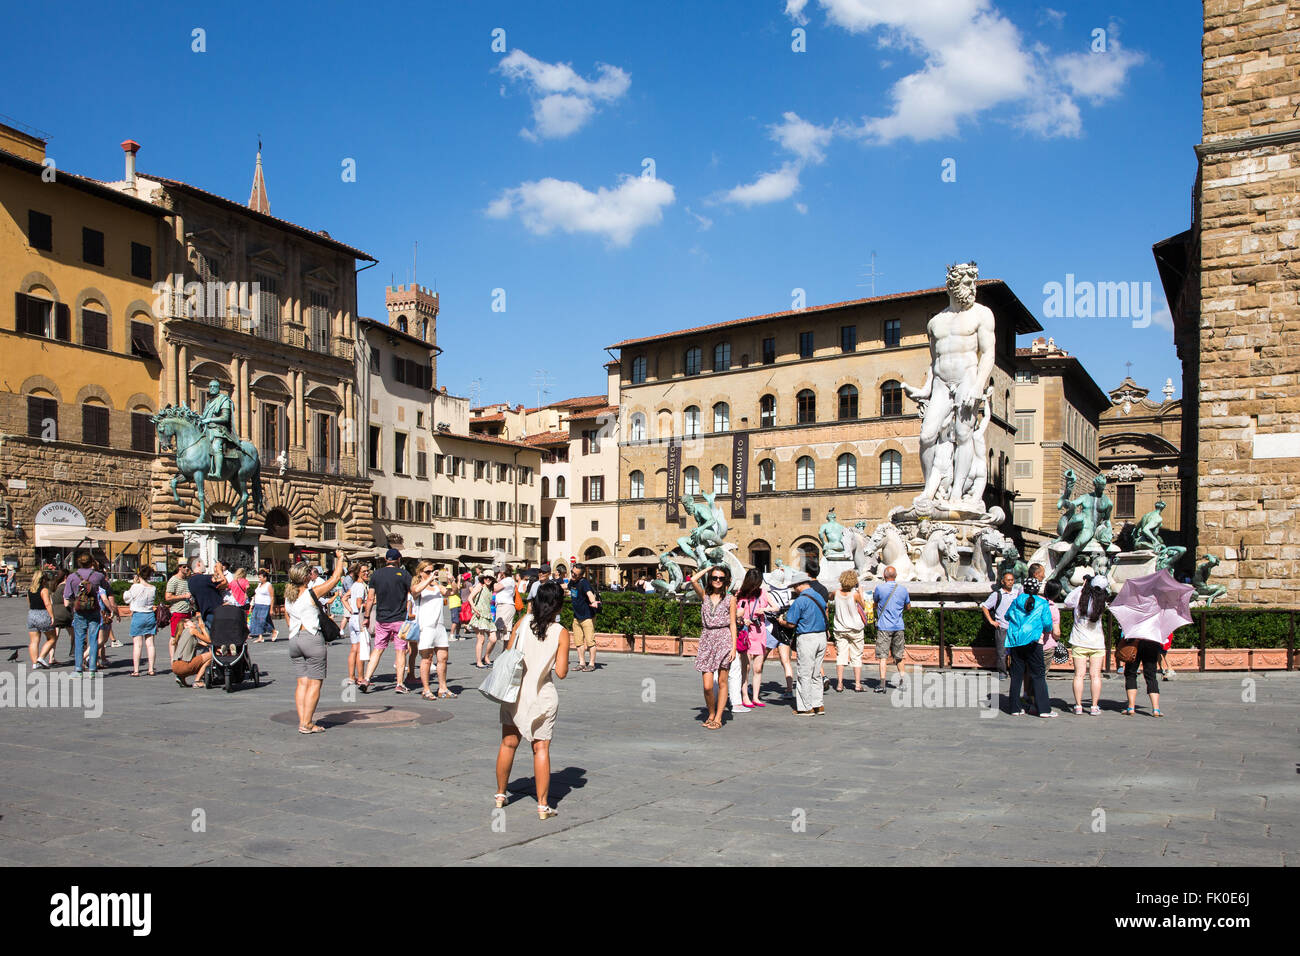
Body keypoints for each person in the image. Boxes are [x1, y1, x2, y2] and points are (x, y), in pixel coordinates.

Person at [494, 580, 570, 820]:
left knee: (508, 743)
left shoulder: (522, 622)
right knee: (540, 748)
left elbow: (508, 653)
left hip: (514, 692)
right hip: (542, 695)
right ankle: (543, 805)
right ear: (558, 606)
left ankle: (500, 794)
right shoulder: (561, 632)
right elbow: (561, 672)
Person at [286, 552, 345, 732]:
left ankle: (302, 721)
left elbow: (288, 617)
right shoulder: (311, 593)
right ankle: (307, 723)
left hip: (294, 639)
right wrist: (340, 559)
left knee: (302, 683)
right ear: (305, 577)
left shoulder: (289, 595)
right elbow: (335, 579)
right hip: (311, 638)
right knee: (315, 682)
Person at [690, 565, 735, 728]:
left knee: (722, 681)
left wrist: (734, 647)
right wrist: (709, 568)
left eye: (721, 578)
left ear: (726, 581)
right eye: (714, 577)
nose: (717, 581)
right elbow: (693, 580)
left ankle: (718, 718)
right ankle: (711, 712)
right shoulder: (705, 596)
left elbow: (733, 624)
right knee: (707, 685)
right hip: (707, 639)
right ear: (710, 579)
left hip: (724, 638)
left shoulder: (731, 599)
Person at [361, 549, 412, 693]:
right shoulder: (404, 574)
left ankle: (366, 678)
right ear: (399, 559)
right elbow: (412, 593)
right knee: (401, 651)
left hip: (382, 619)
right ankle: (400, 684)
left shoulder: (376, 574)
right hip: (400, 620)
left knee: (378, 649)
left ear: (386, 559)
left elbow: (370, 599)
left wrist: (366, 617)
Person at [1003, 576, 1055, 717]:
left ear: (1024, 588)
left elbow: (1007, 616)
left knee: (1016, 675)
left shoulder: (1016, 601)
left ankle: (1014, 708)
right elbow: (1048, 624)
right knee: (1038, 675)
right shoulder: (1042, 603)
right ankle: (1043, 709)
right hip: (1034, 641)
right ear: (1038, 589)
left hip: (1016, 640)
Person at [779, 571, 829, 716]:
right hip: (821, 636)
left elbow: (791, 623)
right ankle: (818, 704)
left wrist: (781, 621)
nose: (794, 589)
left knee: (804, 673)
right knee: (816, 673)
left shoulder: (801, 600)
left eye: (795, 586)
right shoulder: (819, 596)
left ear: (800, 585)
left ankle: (805, 707)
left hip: (807, 637)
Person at [1065, 573, 1109, 715]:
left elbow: (1067, 601)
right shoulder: (1103, 601)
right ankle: (1094, 706)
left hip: (1079, 641)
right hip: (1097, 642)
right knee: (1095, 676)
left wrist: (1082, 587)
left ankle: (1078, 706)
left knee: (1079, 675)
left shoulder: (1079, 596)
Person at [411, 561, 454, 699]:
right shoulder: (418, 586)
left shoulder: (436, 586)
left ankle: (443, 688)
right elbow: (415, 592)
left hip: (439, 625)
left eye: (432, 571)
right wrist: (429, 579)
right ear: (421, 573)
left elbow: (451, 592)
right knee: (427, 658)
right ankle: (426, 689)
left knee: (443, 657)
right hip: (426, 626)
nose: (431, 574)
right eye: (428, 572)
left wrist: (451, 581)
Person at [63, 552, 107, 675]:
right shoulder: (98, 576)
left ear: (79, 562)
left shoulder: (72, 577)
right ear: (91, 562)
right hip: (94, 610)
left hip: (79, 611)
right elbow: (106, 589)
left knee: (79, 639)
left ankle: (78, 668)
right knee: (93, 639)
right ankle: (92, 668)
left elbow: (67, 596)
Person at [732, 569, 768, 708]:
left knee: (758, 667)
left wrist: (764, 610)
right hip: (746, 633)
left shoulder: (763, 592)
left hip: (760, 632)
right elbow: (733, 614)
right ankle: (745, 695)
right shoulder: (740, 594)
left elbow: (776, 607)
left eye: (757, 584)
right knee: (745, 667)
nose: (755, 587)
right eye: (754, 584)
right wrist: (742, 619)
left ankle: (756, 697)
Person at [871, 566, 911, 693]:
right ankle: (903, 681)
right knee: (899, 656)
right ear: (896, 575)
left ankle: (882, 683)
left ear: (884, 575)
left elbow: (875, 602)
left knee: (883, 656)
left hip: (884, 626)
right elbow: (908, 606)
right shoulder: (903, 590)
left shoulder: (879, 588)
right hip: (899, 626)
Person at [832, 570, 869, 693]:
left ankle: (839, 683)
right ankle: (858, 684)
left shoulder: (836, 593)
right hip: (855, 629)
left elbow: (829, 597)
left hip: (840, 629)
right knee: (856, 656)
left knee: (841, 656)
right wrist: (861, 593)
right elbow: (863, 606)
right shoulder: (855, 595)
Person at [981, 572, 1020, 679]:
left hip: (1015, 628)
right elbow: (985, 606)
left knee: (1015, 652)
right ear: (1003, 581)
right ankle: (1002, 672)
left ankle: (1014, 671)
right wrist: (991, 621)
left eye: (1012, 580)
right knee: (1001, 652)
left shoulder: (1017, 594)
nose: (1011, 582)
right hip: (1002, 627)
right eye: (1008, 580)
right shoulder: (997, 595)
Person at [124, 569, 159, 677]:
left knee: (137, 645)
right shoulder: (153, 588)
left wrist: (134, 583)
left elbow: (126, 598)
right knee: (150, 644)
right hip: (150, 615)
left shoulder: (135, 587)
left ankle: (136, 670)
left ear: (139, 576)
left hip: (138, 615)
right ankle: (151, 669)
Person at [568, 562, 601, 672]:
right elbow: (569, 590)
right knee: (578, 642)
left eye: (575, 574)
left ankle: (591, 664)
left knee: (590, 641)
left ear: (581, 575)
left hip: (587, 616)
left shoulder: (584, 583)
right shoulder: (572, 582)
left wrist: (593, 602)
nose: (573, 575)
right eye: (572, 573)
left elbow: (589, 593)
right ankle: (582, 663)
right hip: (577, 616)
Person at [341, 564, 370, 683]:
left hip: (352, 618)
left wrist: (350, 609)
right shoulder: (361, 587)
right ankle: (361, 677)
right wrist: (370, 603)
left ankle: (352, 677)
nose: (367, 573)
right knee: (360, 649)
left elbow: (343, 598)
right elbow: (359, 604)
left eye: (368, 571)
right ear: (358, 573)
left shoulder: (354, 586)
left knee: (353, 649)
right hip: (358, 618)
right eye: (364, 571)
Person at [171, 612, 212, 688]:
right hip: (184, 666)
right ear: (185, 625)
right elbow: (208, 641)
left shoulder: (182, 635)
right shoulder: (191, 630)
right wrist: (202, 627)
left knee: (203, 657)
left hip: (175, 666)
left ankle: (181, 677)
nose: (193, 623)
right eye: (190, 621)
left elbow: (205, 644)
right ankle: (197, 681)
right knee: (212, 656)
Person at [27, 570, 57, 668]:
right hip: (42, 614)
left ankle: (34, 663)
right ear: (43, 580)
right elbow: (47, 604)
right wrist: (52, 616)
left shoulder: (30, 590)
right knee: (52, 638)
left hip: (32, 614)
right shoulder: (44, 590)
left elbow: (29, 603)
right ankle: (41, 657)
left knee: (34, 640)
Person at [186, 558, 225, 632]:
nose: (205, 566)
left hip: (206, 614)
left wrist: (215, 573)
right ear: (198, 563)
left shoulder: (191, 581)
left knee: (213, 639)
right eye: (203, 563)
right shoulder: (205, 579)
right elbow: (224, 582)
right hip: (215, 613)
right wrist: (219, 570)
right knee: (220, 639)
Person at [164, 563, 193, 658]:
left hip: (187, 611)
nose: (186, 568)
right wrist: (183, 596)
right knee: (175, 636)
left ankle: (181, 657)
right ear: (179, 567)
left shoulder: (187, 580)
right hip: (177, 612)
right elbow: (168, 597)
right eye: (184, 567)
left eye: (188, 566)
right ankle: (173, 659)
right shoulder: (173, 580)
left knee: (186, 636)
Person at [470, 570, 497, 668]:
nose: (488, 579)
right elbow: (470, 598)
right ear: (483, 578)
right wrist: (475, 609)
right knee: (481, 639)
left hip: (488, 615)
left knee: (493, 639)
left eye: (490, 578)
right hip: (479, 615)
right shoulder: (480, 586)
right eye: (486, 578)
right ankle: (479, 662)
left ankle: (486, 657)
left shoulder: (491, 588)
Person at [249, 568, 275, 642]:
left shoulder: (268, 585)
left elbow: (272, 597)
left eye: (260, 577)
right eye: (259, 577)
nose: (259, 578)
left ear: (265, 577)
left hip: (265, 605)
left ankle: (273, 631)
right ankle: (260, 636)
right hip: (257, 605)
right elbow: (256, 594)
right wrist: (252, 604)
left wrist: (271, 608)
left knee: (262, 621)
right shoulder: (259, 585)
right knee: (256, 620)